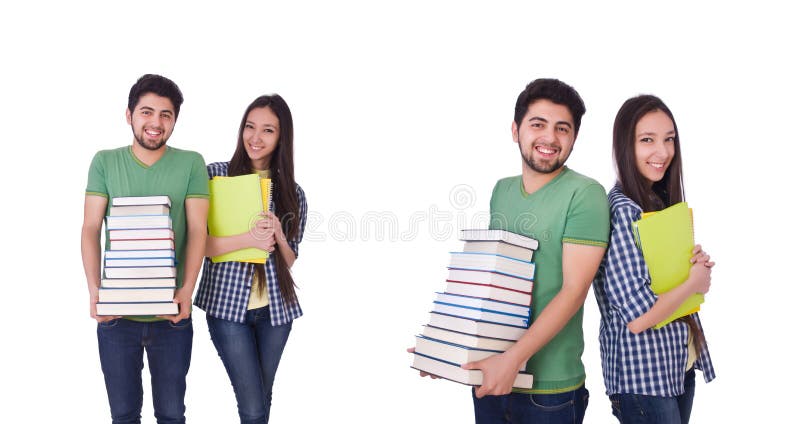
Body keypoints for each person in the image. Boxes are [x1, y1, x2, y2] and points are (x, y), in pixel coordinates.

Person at [463, 78, 611, 423]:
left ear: (574, 137)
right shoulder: (501, 191)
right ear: (516, 130)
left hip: (549, 392)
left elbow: (574, 291)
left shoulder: (585, 194)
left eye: (563, 128)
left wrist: (512, 359)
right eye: (538, 124)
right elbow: (495, 281)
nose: (550, 138)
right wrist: (450, 350)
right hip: (492, 376)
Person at [81, 74, 209, 423]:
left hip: (172, 313)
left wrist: (186, 290)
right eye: (147, 112)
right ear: (129, 115)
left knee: (171, 413)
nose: (156, 123)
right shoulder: (105, 162)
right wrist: (94, 290)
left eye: (166, 115)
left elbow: (198, 230)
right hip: (116, 314)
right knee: (123, 414)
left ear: (175, 120)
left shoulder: (191, 163)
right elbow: (91, 227)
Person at [593, 94, 715, 423]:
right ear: (624, 146)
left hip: (674, 366)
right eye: (648, 140)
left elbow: (663, 282)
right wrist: (693, 282)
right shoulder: (624, 211)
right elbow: (638, 318)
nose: (662, 152)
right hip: (643, 380)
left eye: (669, 139)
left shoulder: (654, 201)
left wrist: (693, 267)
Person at [194, 94, 307, 424]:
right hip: (227, 308)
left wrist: (279, 235)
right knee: (254, 406)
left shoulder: (292, 191)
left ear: (281, 137)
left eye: (268, 130)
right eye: (250, 127)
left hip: (276, 311)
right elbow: (198, 245)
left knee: (263, 398)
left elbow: (289, 260)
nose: (255, 138)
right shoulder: (214, 176)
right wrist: (248, 239)